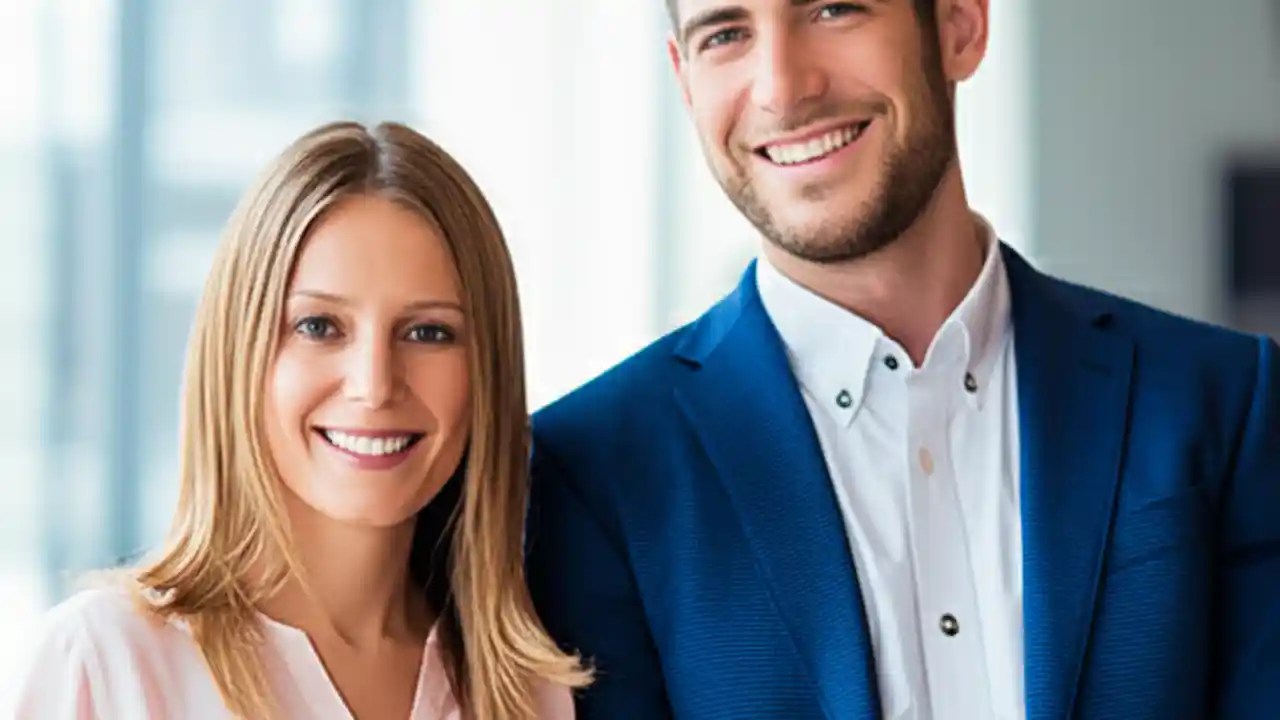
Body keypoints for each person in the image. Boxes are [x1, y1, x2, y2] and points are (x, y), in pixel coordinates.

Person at [525, 1, 1280, 718]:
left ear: (959, 24)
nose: (783, 87)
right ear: (684, 81)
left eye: (834, 9)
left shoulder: (1223, 400)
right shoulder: (586, 472)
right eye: (725, 33)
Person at [16, 121, 588, 719]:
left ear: (487, 373)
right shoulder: (104, 666)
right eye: (318, 326)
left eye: (428, 332)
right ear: (239, 352)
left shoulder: (525, 692)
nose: (373, 385)